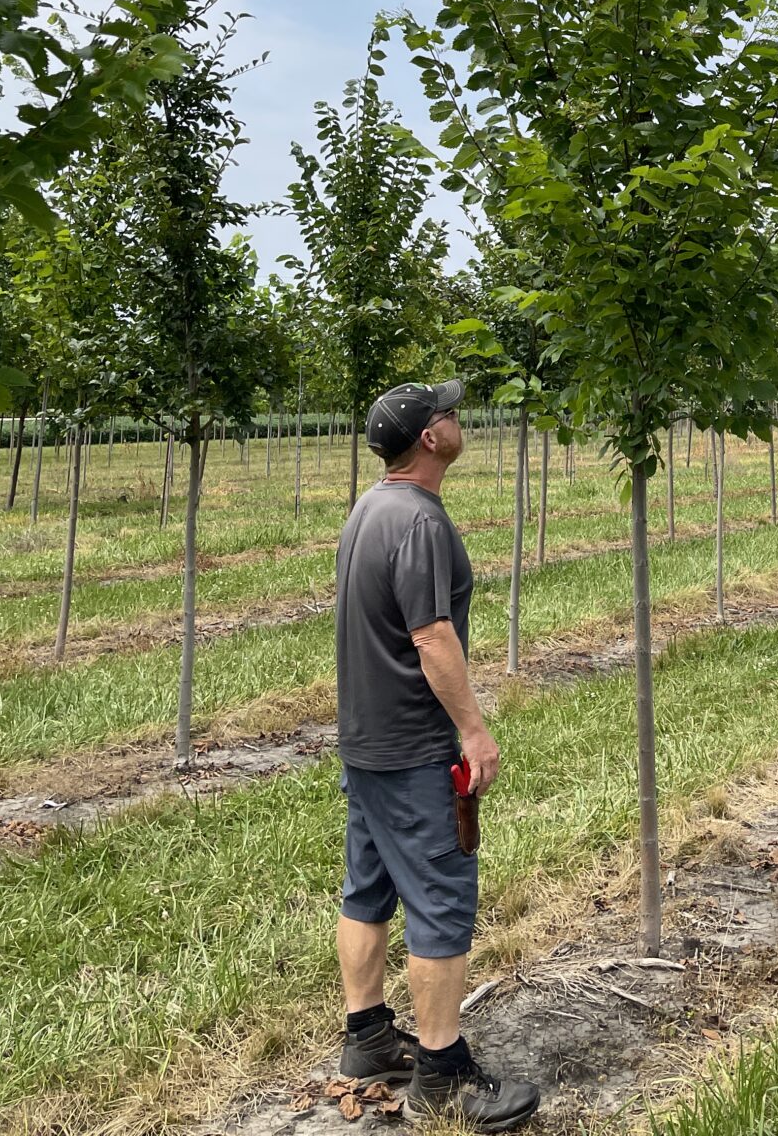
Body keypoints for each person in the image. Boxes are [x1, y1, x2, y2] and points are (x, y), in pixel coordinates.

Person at [334, 378, 539, 1130]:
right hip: (413, 744)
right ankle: (441, 1075)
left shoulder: (369, 509)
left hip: (365, 739)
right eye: (449, 414)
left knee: (368, 889)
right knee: (441, 902)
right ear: (428, 438)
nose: (460, 420)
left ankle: (366, 1038)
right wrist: (474, 730)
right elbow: (431, 637)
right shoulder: (417, 520)